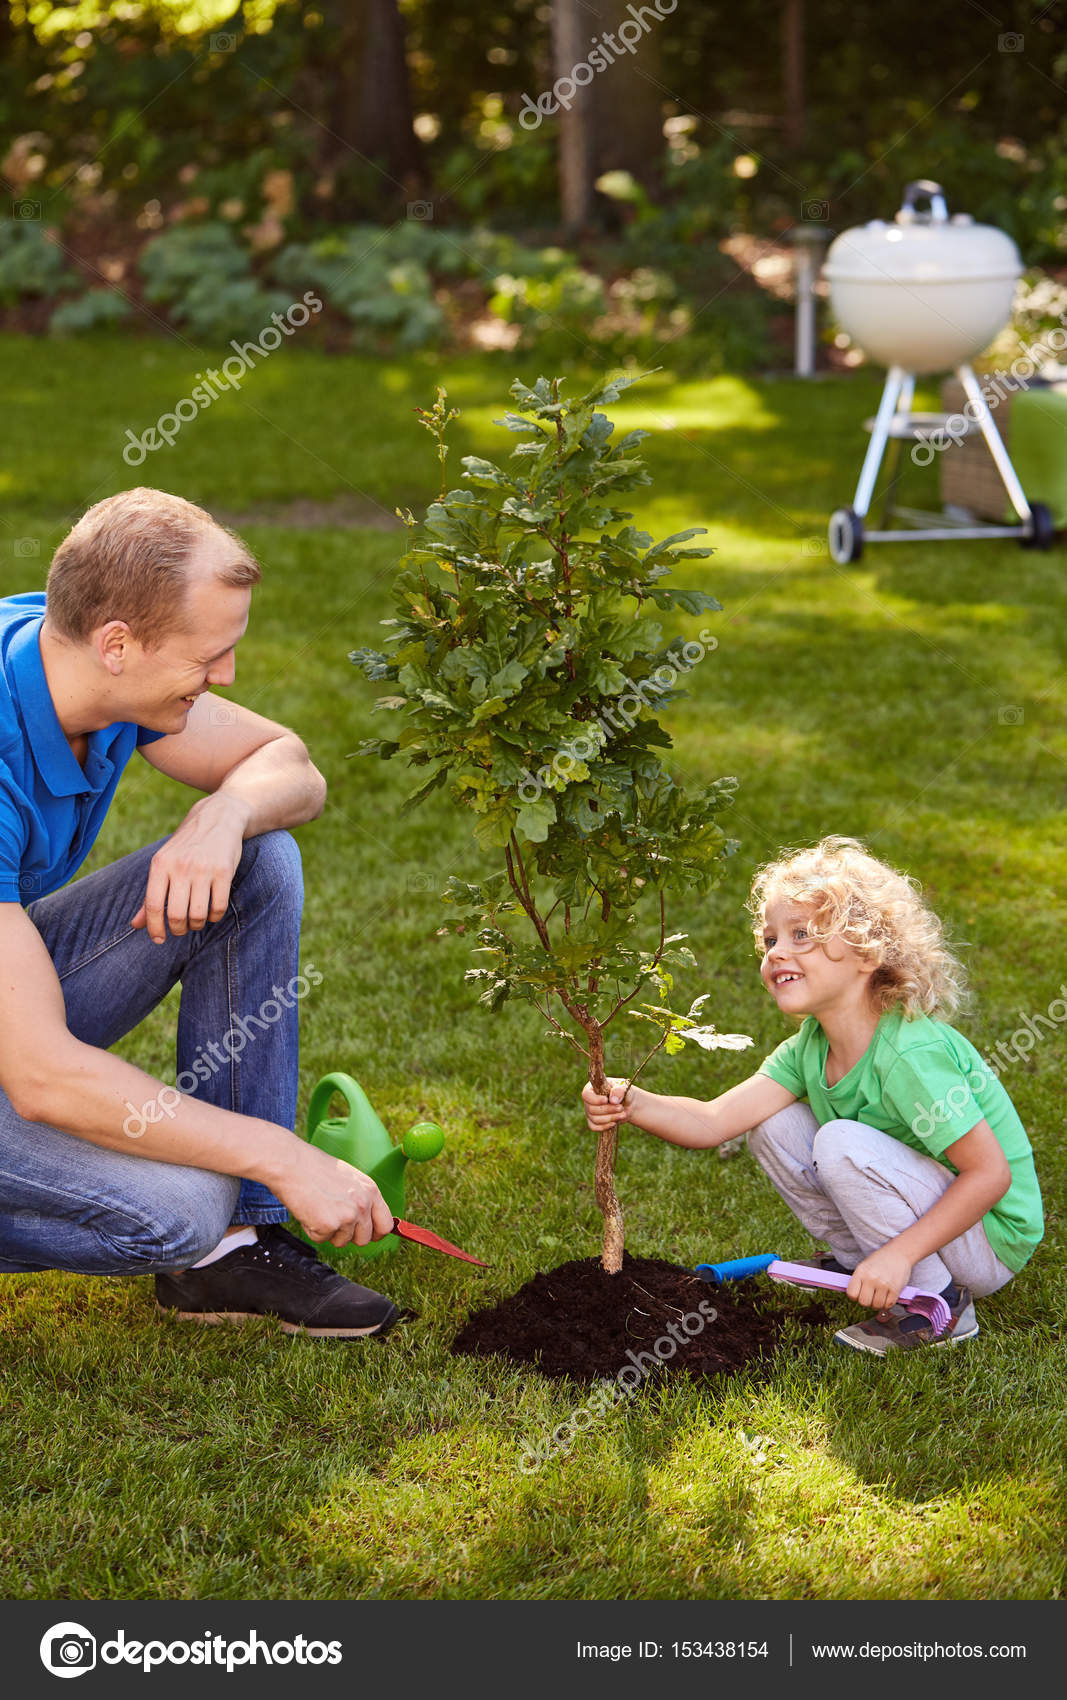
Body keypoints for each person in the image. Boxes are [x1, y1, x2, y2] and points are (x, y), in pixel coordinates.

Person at [0, 488, 400, 1338]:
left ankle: (239, 1242)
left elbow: (287, 765)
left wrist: (219, 816)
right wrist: (283, 1151)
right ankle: (213, 1227)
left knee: (256, 853)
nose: (224, 677)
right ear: (118, 644)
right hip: (21, 1052)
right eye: (207, 657)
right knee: (180, 1207)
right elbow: (40, 1078)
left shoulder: (69, 663)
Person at [582, 836, 1043, 1354]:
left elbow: (989, 1175)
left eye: (801, 935)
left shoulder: (910, 1055)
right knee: (774, 1126)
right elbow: (714, 1122)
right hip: (934, 1216)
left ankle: (938, 1302)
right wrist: (631, 1101)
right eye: (770, 939)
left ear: (866, 951)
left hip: (988, 1239)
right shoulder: (809, 1048)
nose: (777, 951)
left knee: (841, 1141)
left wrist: (902, 1253)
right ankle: (861, 1259)